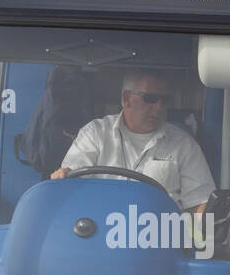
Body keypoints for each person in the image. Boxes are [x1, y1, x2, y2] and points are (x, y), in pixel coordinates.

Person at [52, 70, 215, 213]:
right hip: (99, 234)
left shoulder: (183, 144)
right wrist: (63, 175)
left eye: (164, 100)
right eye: (150, 98)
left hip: (157, 240)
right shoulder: (95, 133)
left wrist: (205, 229)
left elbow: (200, 202)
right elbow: (71, 179)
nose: (158, 107)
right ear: (126, 97)